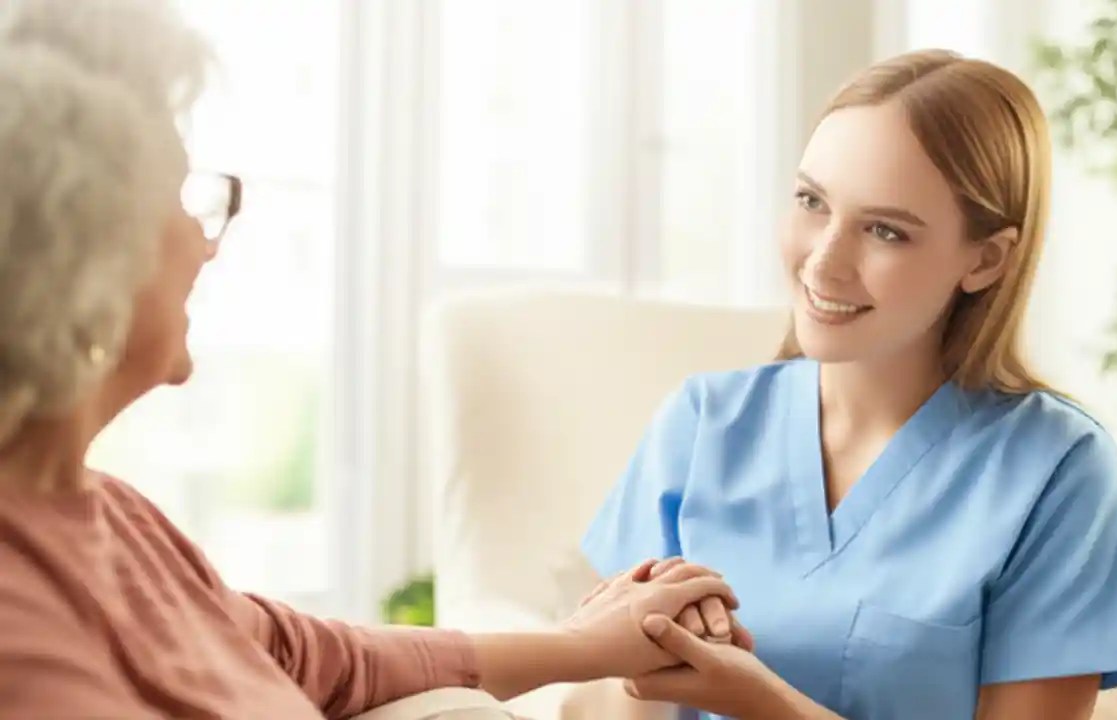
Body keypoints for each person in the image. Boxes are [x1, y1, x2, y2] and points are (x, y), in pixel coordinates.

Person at [0, 0, 746, 717]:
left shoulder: (119, 522)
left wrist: (582, 646)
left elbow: (315, 656)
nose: (206, 243)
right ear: (83, 244)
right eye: (179, 198)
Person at [583, 49, 1117, 720]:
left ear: (986, 259)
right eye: (812, 202)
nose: (824, 262)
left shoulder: (1058, 471)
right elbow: (615, 696)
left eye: (885, 230)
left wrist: (762, 701)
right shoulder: (703, 422)